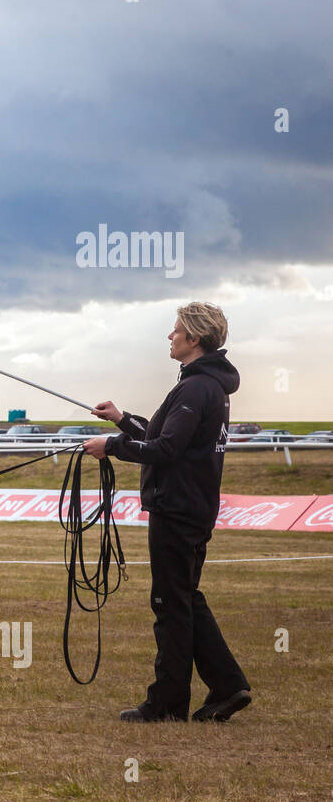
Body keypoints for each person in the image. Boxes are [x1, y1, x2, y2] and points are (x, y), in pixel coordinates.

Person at [84, 302, 251, 723]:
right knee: (184, 599)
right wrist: (123, 422)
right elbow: (164, 437)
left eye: (176, 330)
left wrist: (112, 448)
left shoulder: (196, 388)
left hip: (178, 510)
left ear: (194, 339)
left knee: (170, 604)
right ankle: (228, 685)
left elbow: (166, 451)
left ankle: (167, 702)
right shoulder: (203, 385)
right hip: (191, 507)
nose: (170, 336)